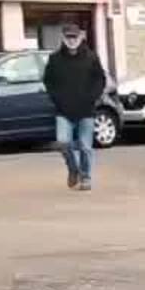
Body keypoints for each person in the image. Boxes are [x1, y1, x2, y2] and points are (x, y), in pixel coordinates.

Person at [43, 22, 106, 192]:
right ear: (63, 38)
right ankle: (73, 169)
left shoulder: (91, 57)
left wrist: (92, 98)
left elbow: (100, 80)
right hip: (63, 111)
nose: (72, 41)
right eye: (68, 37)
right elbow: (48, 81)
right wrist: (57, 99)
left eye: (74, 37)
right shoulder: (55, 59)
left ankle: (85, 177)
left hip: (86, 110)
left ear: (81, 38)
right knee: (63, 143)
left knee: (85, 147)